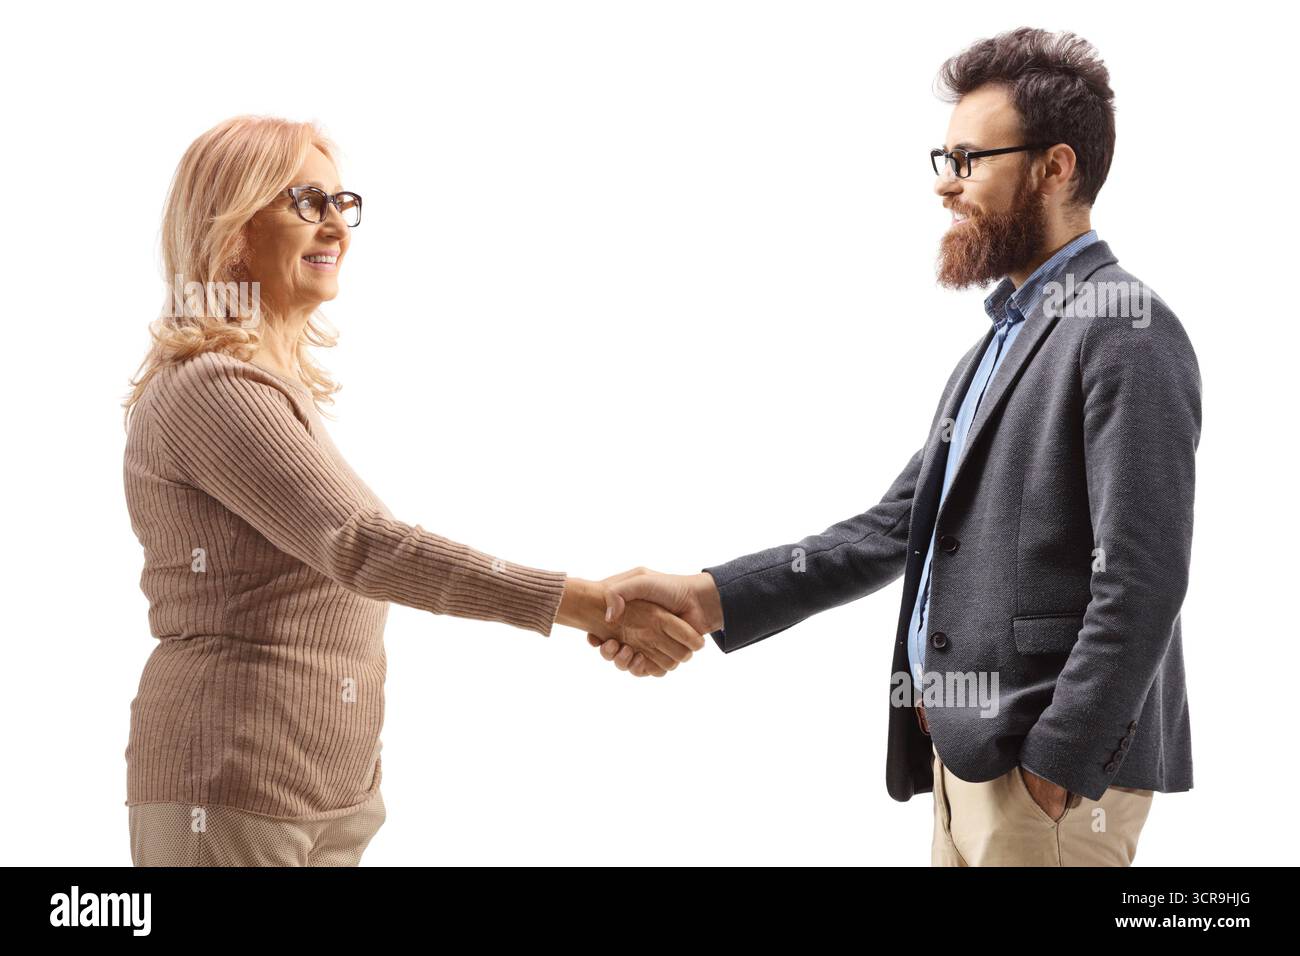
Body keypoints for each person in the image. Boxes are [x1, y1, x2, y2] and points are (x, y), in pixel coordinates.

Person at [597, 28, 1200, 867]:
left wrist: (1058, 762)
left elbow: (1144, 577)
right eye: (942, 159)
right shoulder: (998, 345)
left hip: (1043, 777)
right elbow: (893, 528)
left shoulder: (1126, 331)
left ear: (1056, 167)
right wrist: (707, 595)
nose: (946, 186)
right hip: (969, 761)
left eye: (969, 160)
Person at [121, 116, 704, 866]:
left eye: (341, 202)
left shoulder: (271, 389)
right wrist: (591, 603)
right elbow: (362, 547)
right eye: (306, 201)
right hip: (230, 782)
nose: (337, 224)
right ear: (230, 227)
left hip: (325, 791)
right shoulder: (211, 390)